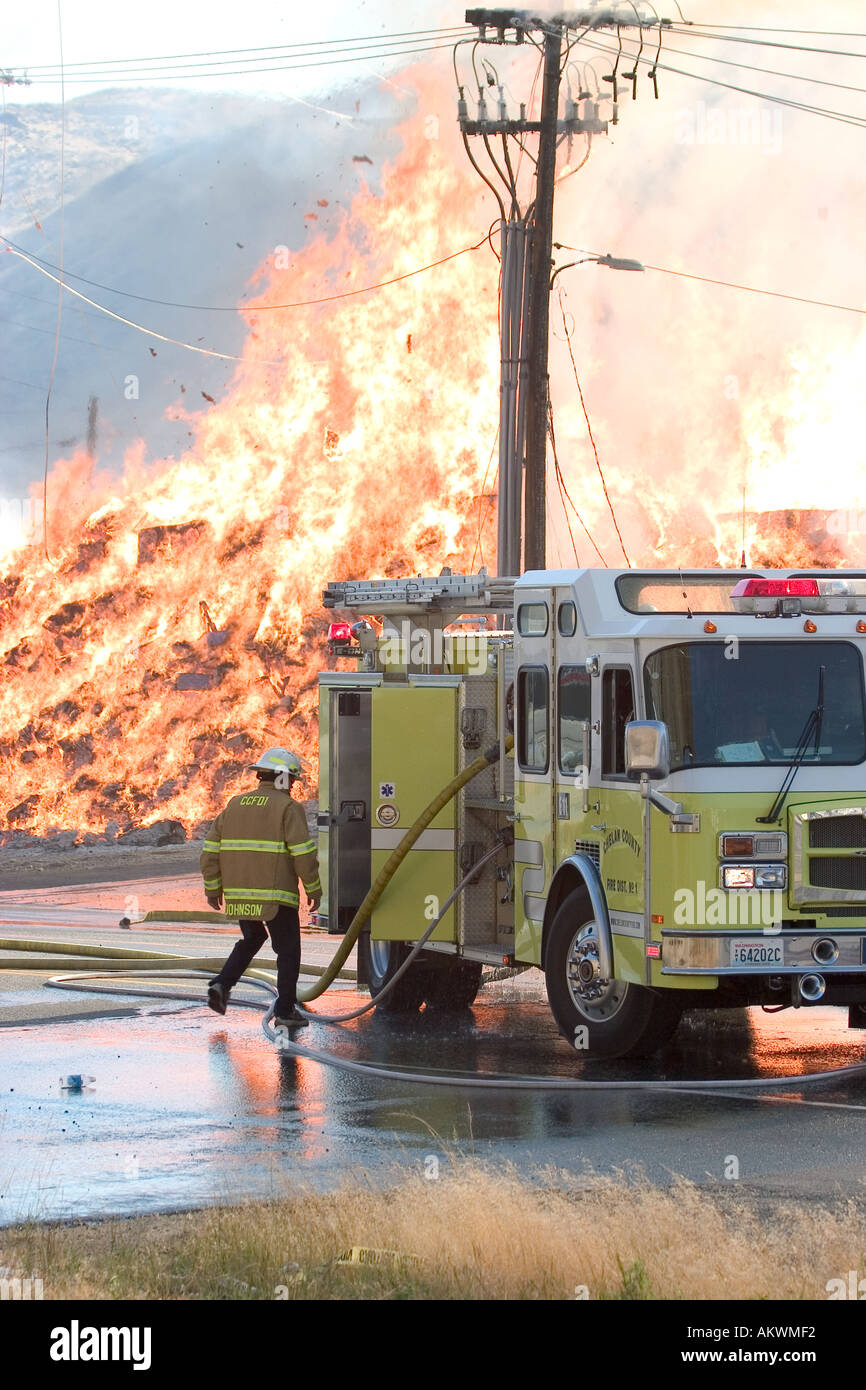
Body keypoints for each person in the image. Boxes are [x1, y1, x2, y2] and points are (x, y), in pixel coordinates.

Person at [200, 746, 322, 1030]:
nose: (292, 786)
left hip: (241, 894)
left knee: (253, 938)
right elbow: (303, 853)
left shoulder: (234, 805)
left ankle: (222, 984)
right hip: (276, 895)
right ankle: (285, 1011)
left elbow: (209, 851)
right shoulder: (288, 808)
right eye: (292, 780)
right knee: (288, 950)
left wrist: (213, 888)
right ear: (283, 778)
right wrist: (314, 890)